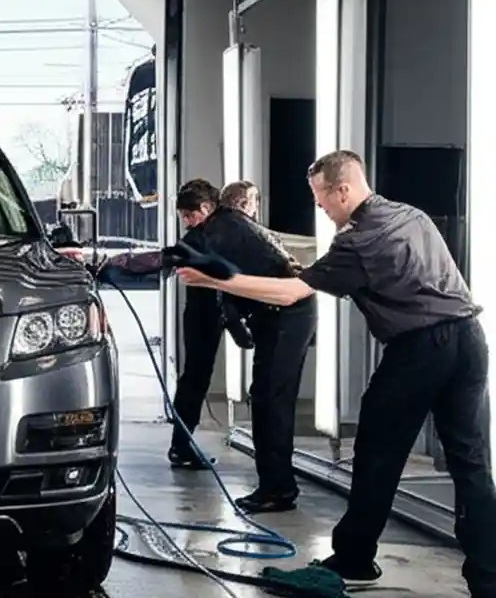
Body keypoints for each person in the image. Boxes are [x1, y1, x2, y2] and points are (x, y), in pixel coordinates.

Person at [177, 149, 496, 593]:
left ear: (342, 189)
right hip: (470, 340)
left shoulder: (358, 240)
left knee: (376, 453)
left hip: (421, 348)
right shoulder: (411, 216)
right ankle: (488, 576)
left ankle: (353, 558)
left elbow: (291, 293)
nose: (319, 207)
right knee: (473, 464)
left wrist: (214, 279)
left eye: (321, 197)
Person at [197, 179, 314, 514]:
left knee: (271, 401)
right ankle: (275, 486)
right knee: (267, 399)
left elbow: (230, 284)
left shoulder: (233, 230)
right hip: (278, 317)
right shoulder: (237, 230)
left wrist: (236, 325)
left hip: (285, 317)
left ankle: (277, 488)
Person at [165, 179, 226, 469]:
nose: (187, 222)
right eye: (184, 217)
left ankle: (182, 443)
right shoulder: (197, 239)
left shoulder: (208, 235)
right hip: (203, 316)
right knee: (195, 380)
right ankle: (181, 444)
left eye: (188, 216)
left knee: (195, 379)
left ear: (205, 208)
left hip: (207, 314)